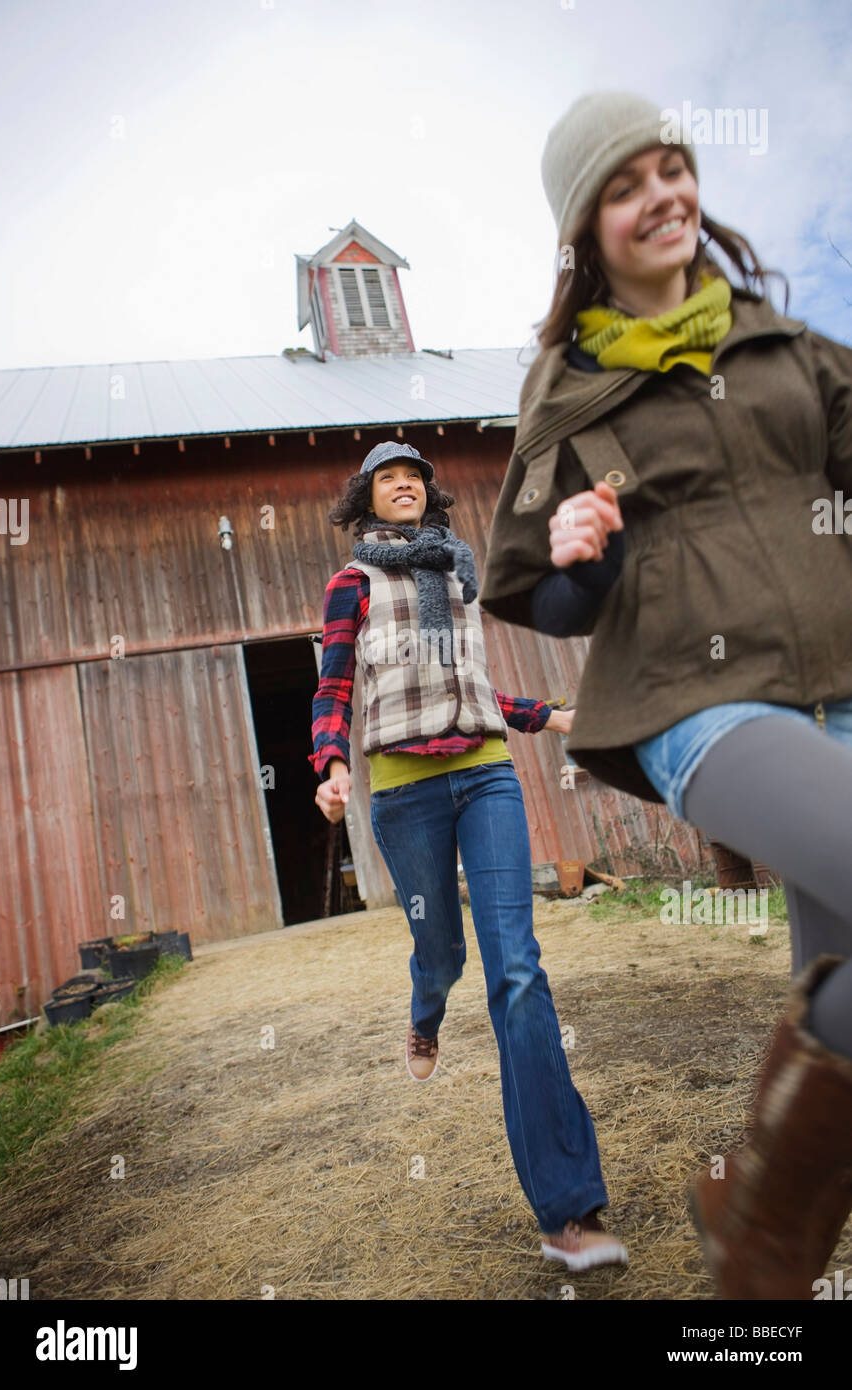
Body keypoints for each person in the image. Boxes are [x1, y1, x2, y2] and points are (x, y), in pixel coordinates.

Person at [478, 91, 852, 1299]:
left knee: (841, 1002)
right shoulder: (567, 394)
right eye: (627, 183)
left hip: (843, 677)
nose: (664, 196)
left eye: (673, 168)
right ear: (585, 228)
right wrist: (579, 557)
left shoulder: (785, 351)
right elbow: (531, 590)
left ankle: (754, 1241)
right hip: (702, 701)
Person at [309, 439, 627, 1271]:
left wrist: (549, 714)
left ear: (429, 495)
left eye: (415, 474)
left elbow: (473, 691)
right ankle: (425, 1008)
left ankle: (570, 1210)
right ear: (367, 501)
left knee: (517, 969)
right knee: (441, 954)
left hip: (486, 777)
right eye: (388, 477)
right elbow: (336, 683)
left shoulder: (456, 575)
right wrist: (333, 765)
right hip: (407, 793)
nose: (405, 483)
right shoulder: (354, 585)